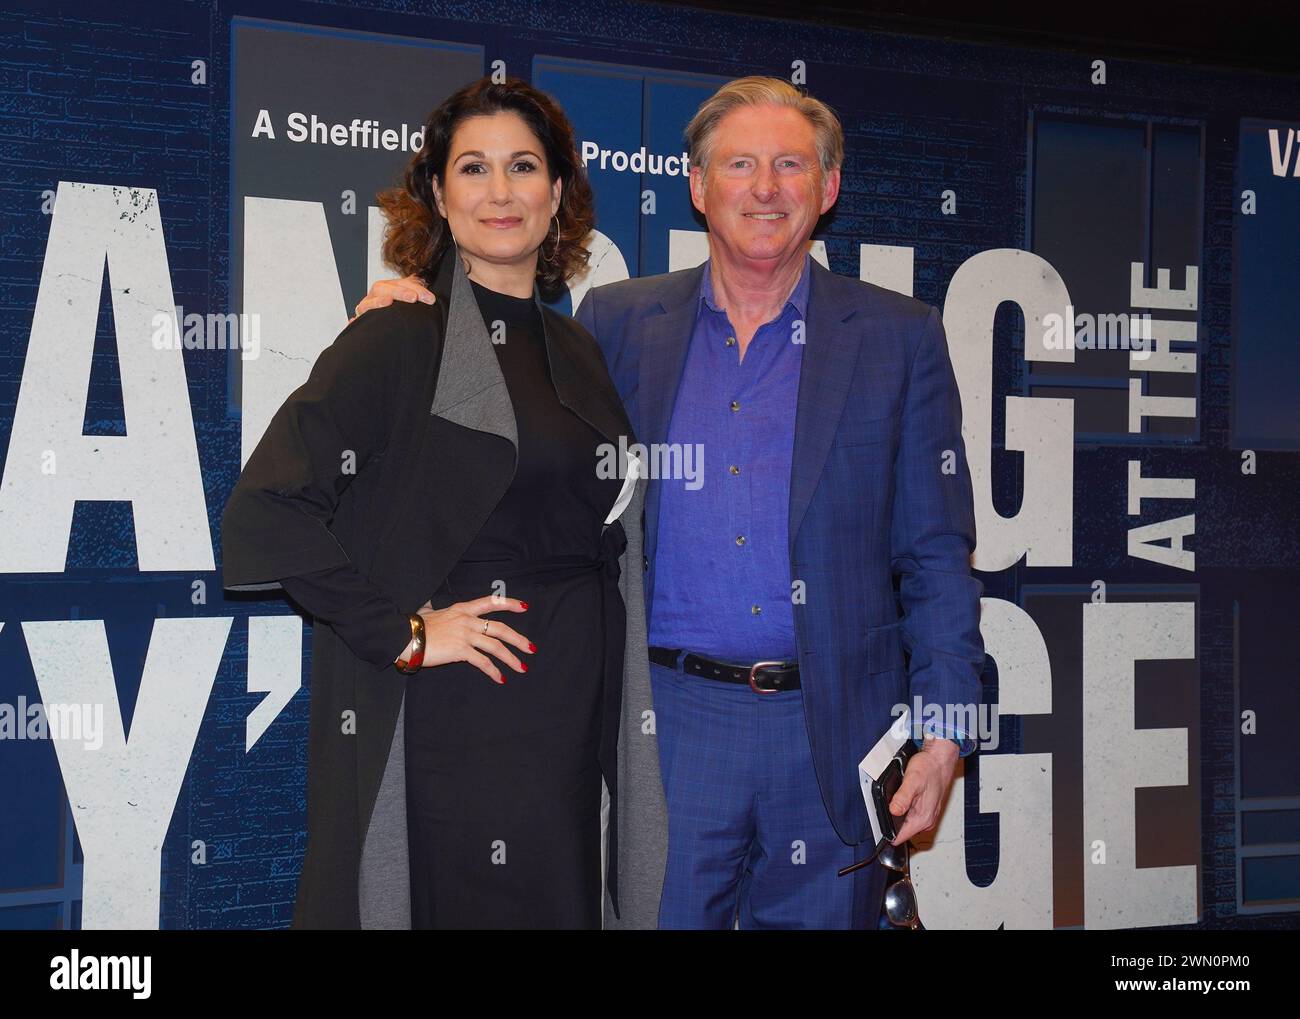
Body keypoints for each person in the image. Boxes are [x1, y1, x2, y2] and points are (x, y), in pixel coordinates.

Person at [357, 76, 986, 929]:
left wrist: (945, 731)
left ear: (828, 187)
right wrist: (415, 307)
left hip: (833, 736)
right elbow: (509, 420)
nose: (764, 188)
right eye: (739, 165)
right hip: (665, 731)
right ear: (697, 186)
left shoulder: (900, 338)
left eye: (790, 165)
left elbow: (937, 553)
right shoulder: (614, 323)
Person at [220, 76, 659, 929]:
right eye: (473, 168)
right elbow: (264, 514)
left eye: (524, 166)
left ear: (559, 192)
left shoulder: (578, 344)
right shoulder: (398, 335)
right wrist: (407, 635)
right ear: (436, 193)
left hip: (570, 717)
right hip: (455, 720)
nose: (500, 192)